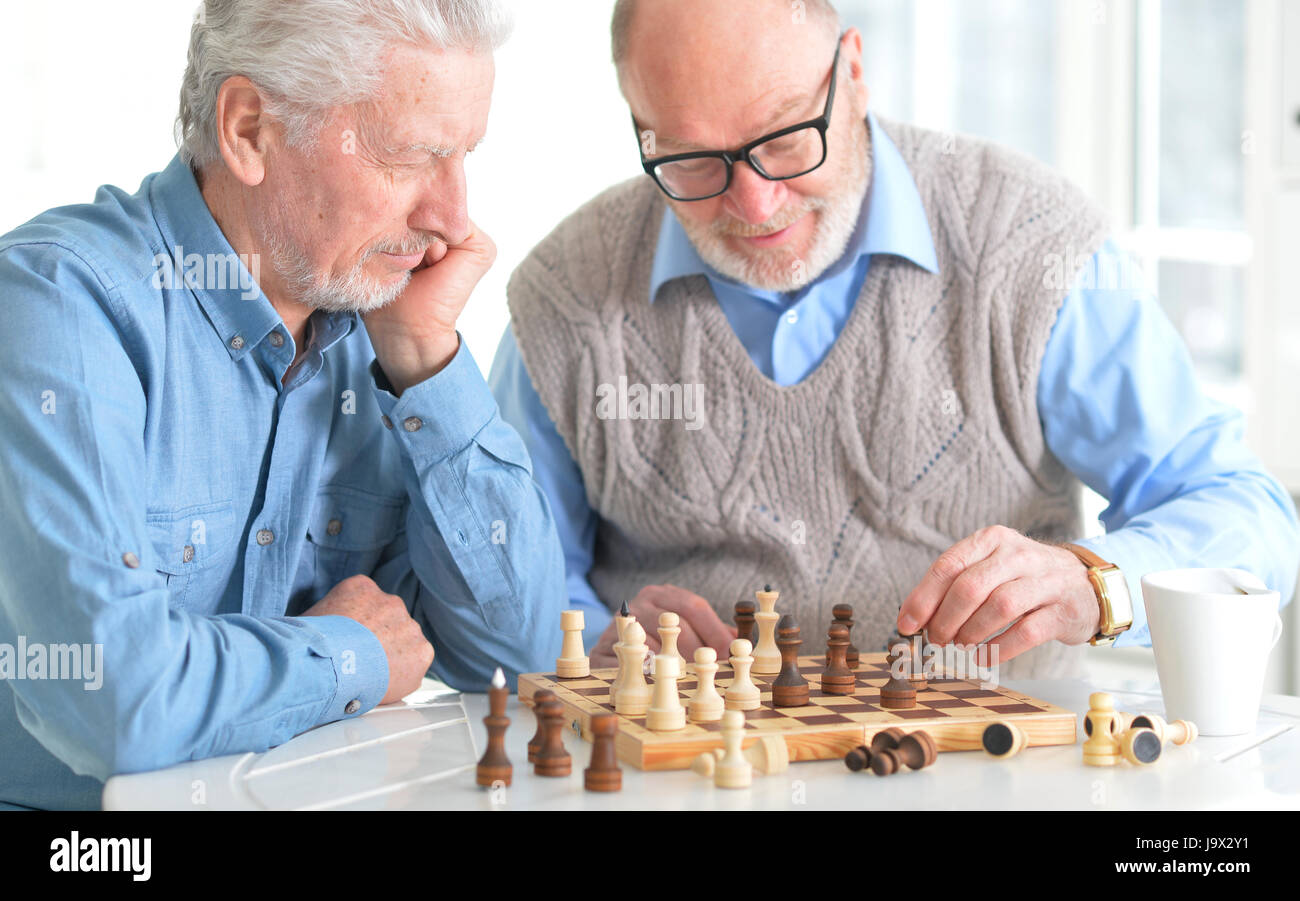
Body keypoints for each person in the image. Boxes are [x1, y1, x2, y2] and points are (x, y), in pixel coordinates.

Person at [490, 0, 1299, 678]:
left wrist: (1098, 583)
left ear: (854, 71)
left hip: (1001, 775)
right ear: (641, 126)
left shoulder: (1027, 246)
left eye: (784, 137)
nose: (756, 203)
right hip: (683, 781)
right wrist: (597, 638)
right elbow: (507, 592)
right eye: (694, 160)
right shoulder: (564, 298)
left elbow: (1247, 515)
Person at [0, 0, 565, 811]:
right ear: (249, 131)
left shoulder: (380, 318)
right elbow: (113, 702)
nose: (453, 218)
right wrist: (352, 653)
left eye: (464, 156)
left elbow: (518, 657)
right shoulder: (58, 305)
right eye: (411, 156)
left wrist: (426, 361)